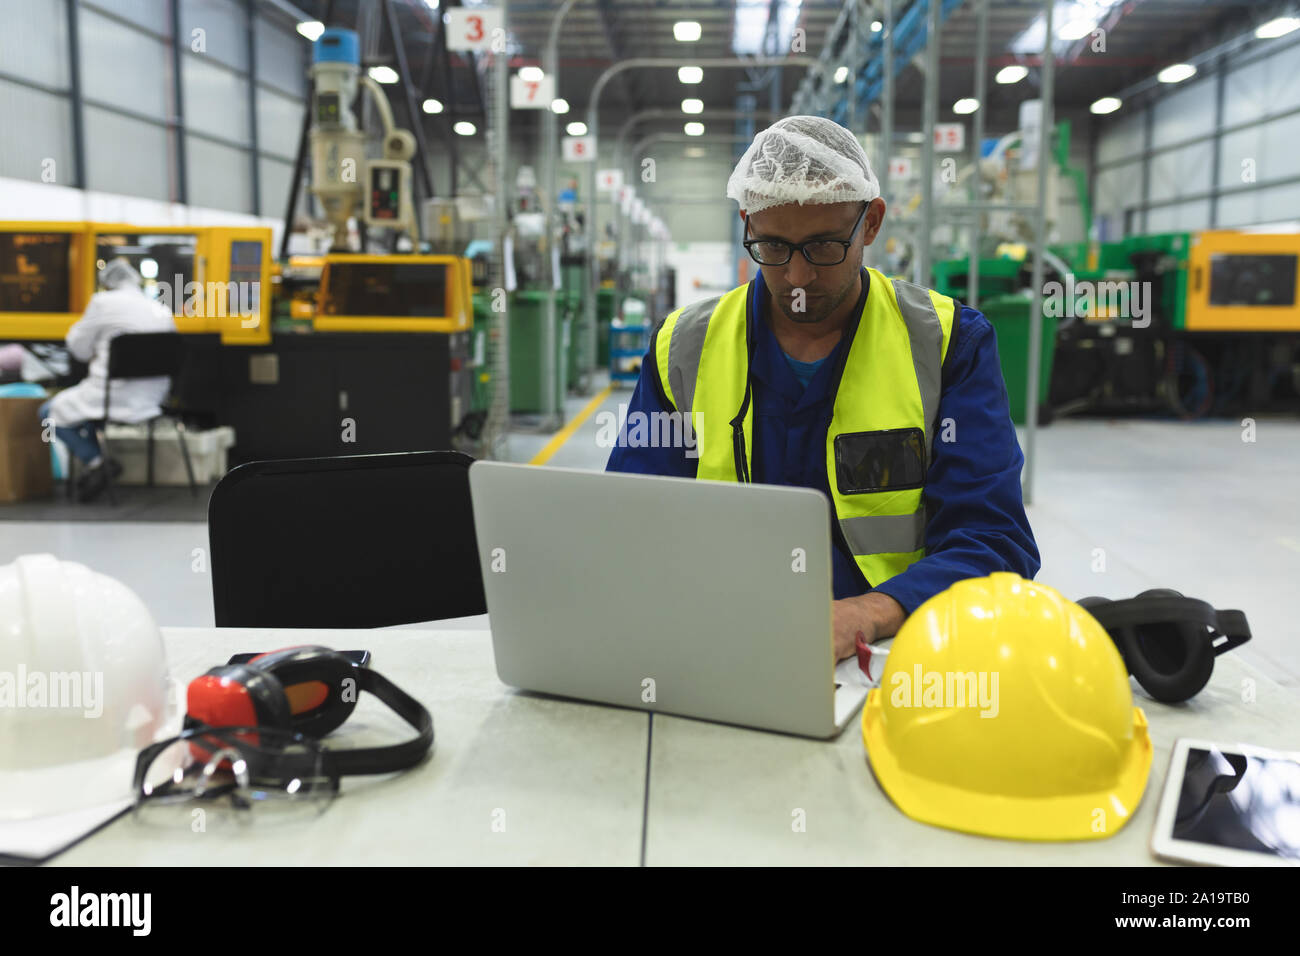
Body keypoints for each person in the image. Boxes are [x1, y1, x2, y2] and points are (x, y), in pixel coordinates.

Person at [606, 115, 1040, 661]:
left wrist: (871, 612)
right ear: (747, 222)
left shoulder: (947, 344)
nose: (798, 278)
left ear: (872, 223)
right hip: (724, 643)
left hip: (895, 656)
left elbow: (994, 540)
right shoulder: (683, 350)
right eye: (773, 247)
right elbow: (631, 520)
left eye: (824, 247)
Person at [40, 257, 177, 502]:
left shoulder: (102, 302)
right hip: (154, 400)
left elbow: (78, 348)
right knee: (84, 413)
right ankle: (97, 465)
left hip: (110, 395)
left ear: (107, 283)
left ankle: (96, 462)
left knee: (47, 414)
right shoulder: (159, 308)